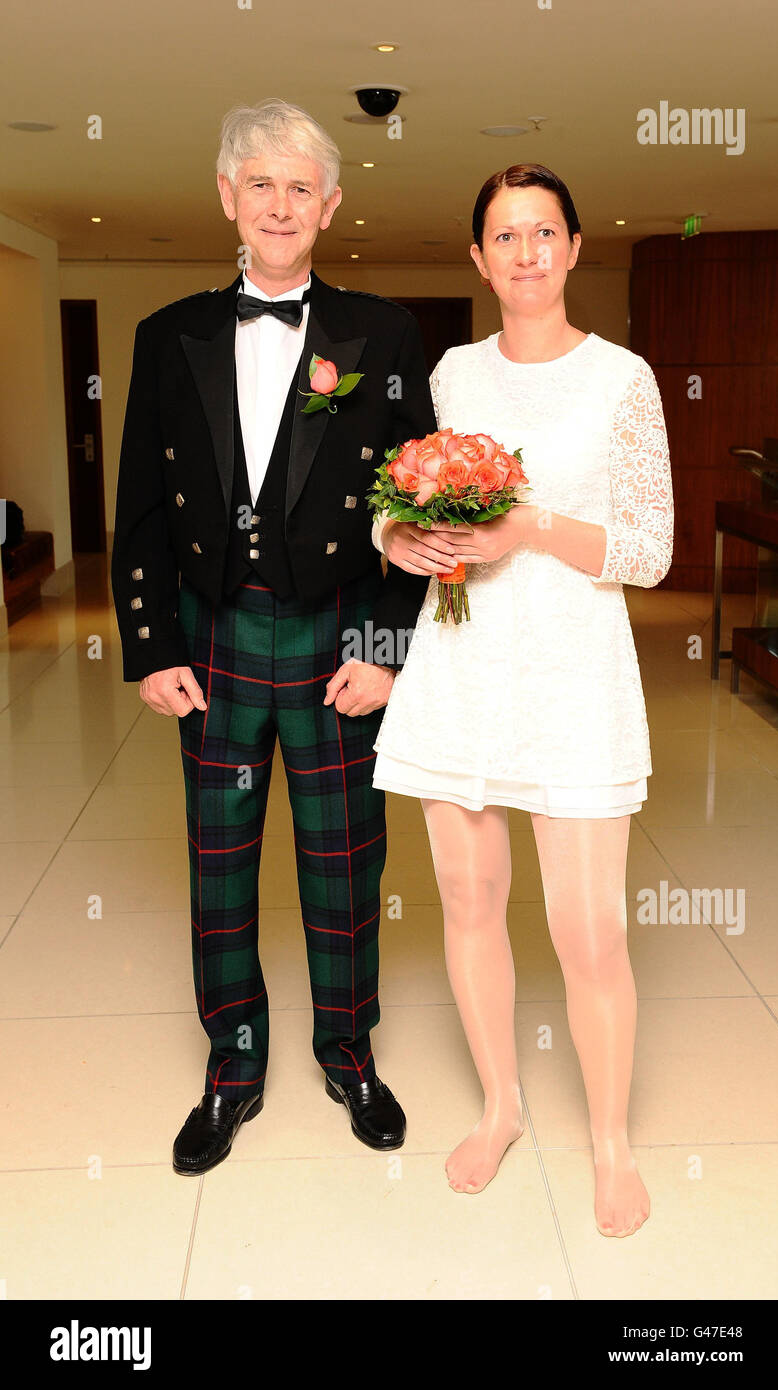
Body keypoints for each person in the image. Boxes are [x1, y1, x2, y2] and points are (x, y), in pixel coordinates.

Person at [111, 99, 436, 1175]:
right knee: (219, 862)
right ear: (227, 197)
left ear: (332, 205)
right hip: (211, 642)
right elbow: (142, 511)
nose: (281, 204)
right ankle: (232, 1065)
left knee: (346, 858)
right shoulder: (169, 338)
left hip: (341, 636)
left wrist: (386, 651)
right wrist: (154, 647)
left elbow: (419, 508)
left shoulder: (383, 336)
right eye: (261, 183)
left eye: (302, 186)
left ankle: (347, 1049)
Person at [370, 164, 674, 1238]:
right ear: (478, 257)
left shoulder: (623, 379)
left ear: (575, 248)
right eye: (506, 235)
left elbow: (646, 549)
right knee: (466, 902)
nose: (527, 252)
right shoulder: (449, 373)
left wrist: (527, 527)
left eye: (545, 231)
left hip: (576, 676)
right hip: (464, 668)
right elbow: (393, 506)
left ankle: (608, 1144)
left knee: (588, 932)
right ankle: (500, 1105)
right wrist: (400, 537)